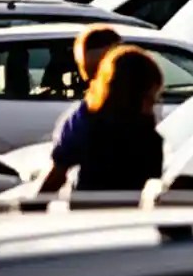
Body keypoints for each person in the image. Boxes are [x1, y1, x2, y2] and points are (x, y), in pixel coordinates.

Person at [38, 25, 124, 193]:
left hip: (90, 210)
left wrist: (31, 209)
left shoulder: (83, 117)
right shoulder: (145, 111)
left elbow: (58, 174)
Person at [70, 45, 164, 192]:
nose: (154, 104)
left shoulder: (87, 127)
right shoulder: (149, 141)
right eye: (152, 97)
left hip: (85, 211)